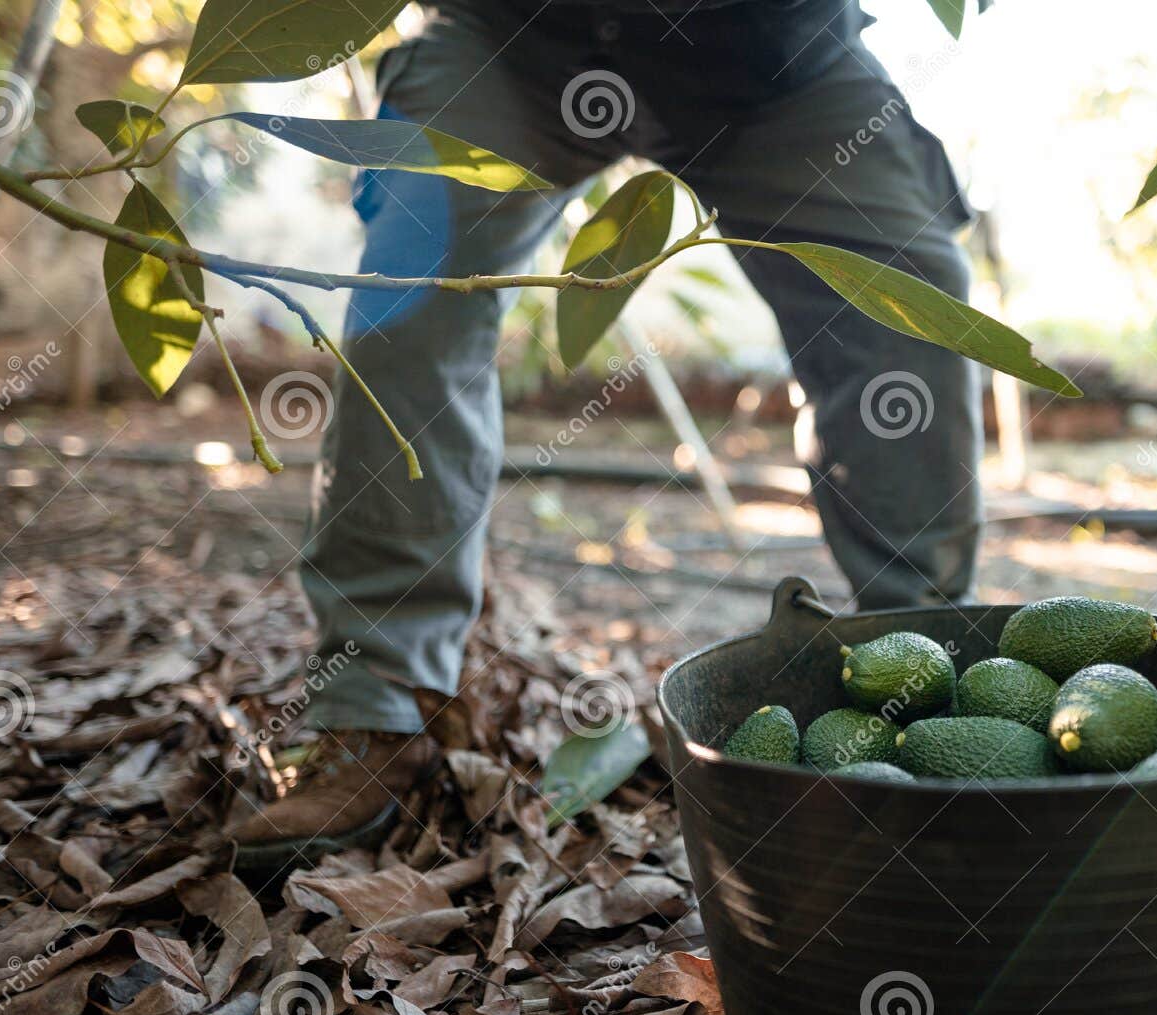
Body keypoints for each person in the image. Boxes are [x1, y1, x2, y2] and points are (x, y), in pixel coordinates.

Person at [228, 0, 984, 865]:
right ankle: (373, 709)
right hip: (513, 36)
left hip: (771, 56)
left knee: (907, 299)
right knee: (410, 304)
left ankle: (929, 682)